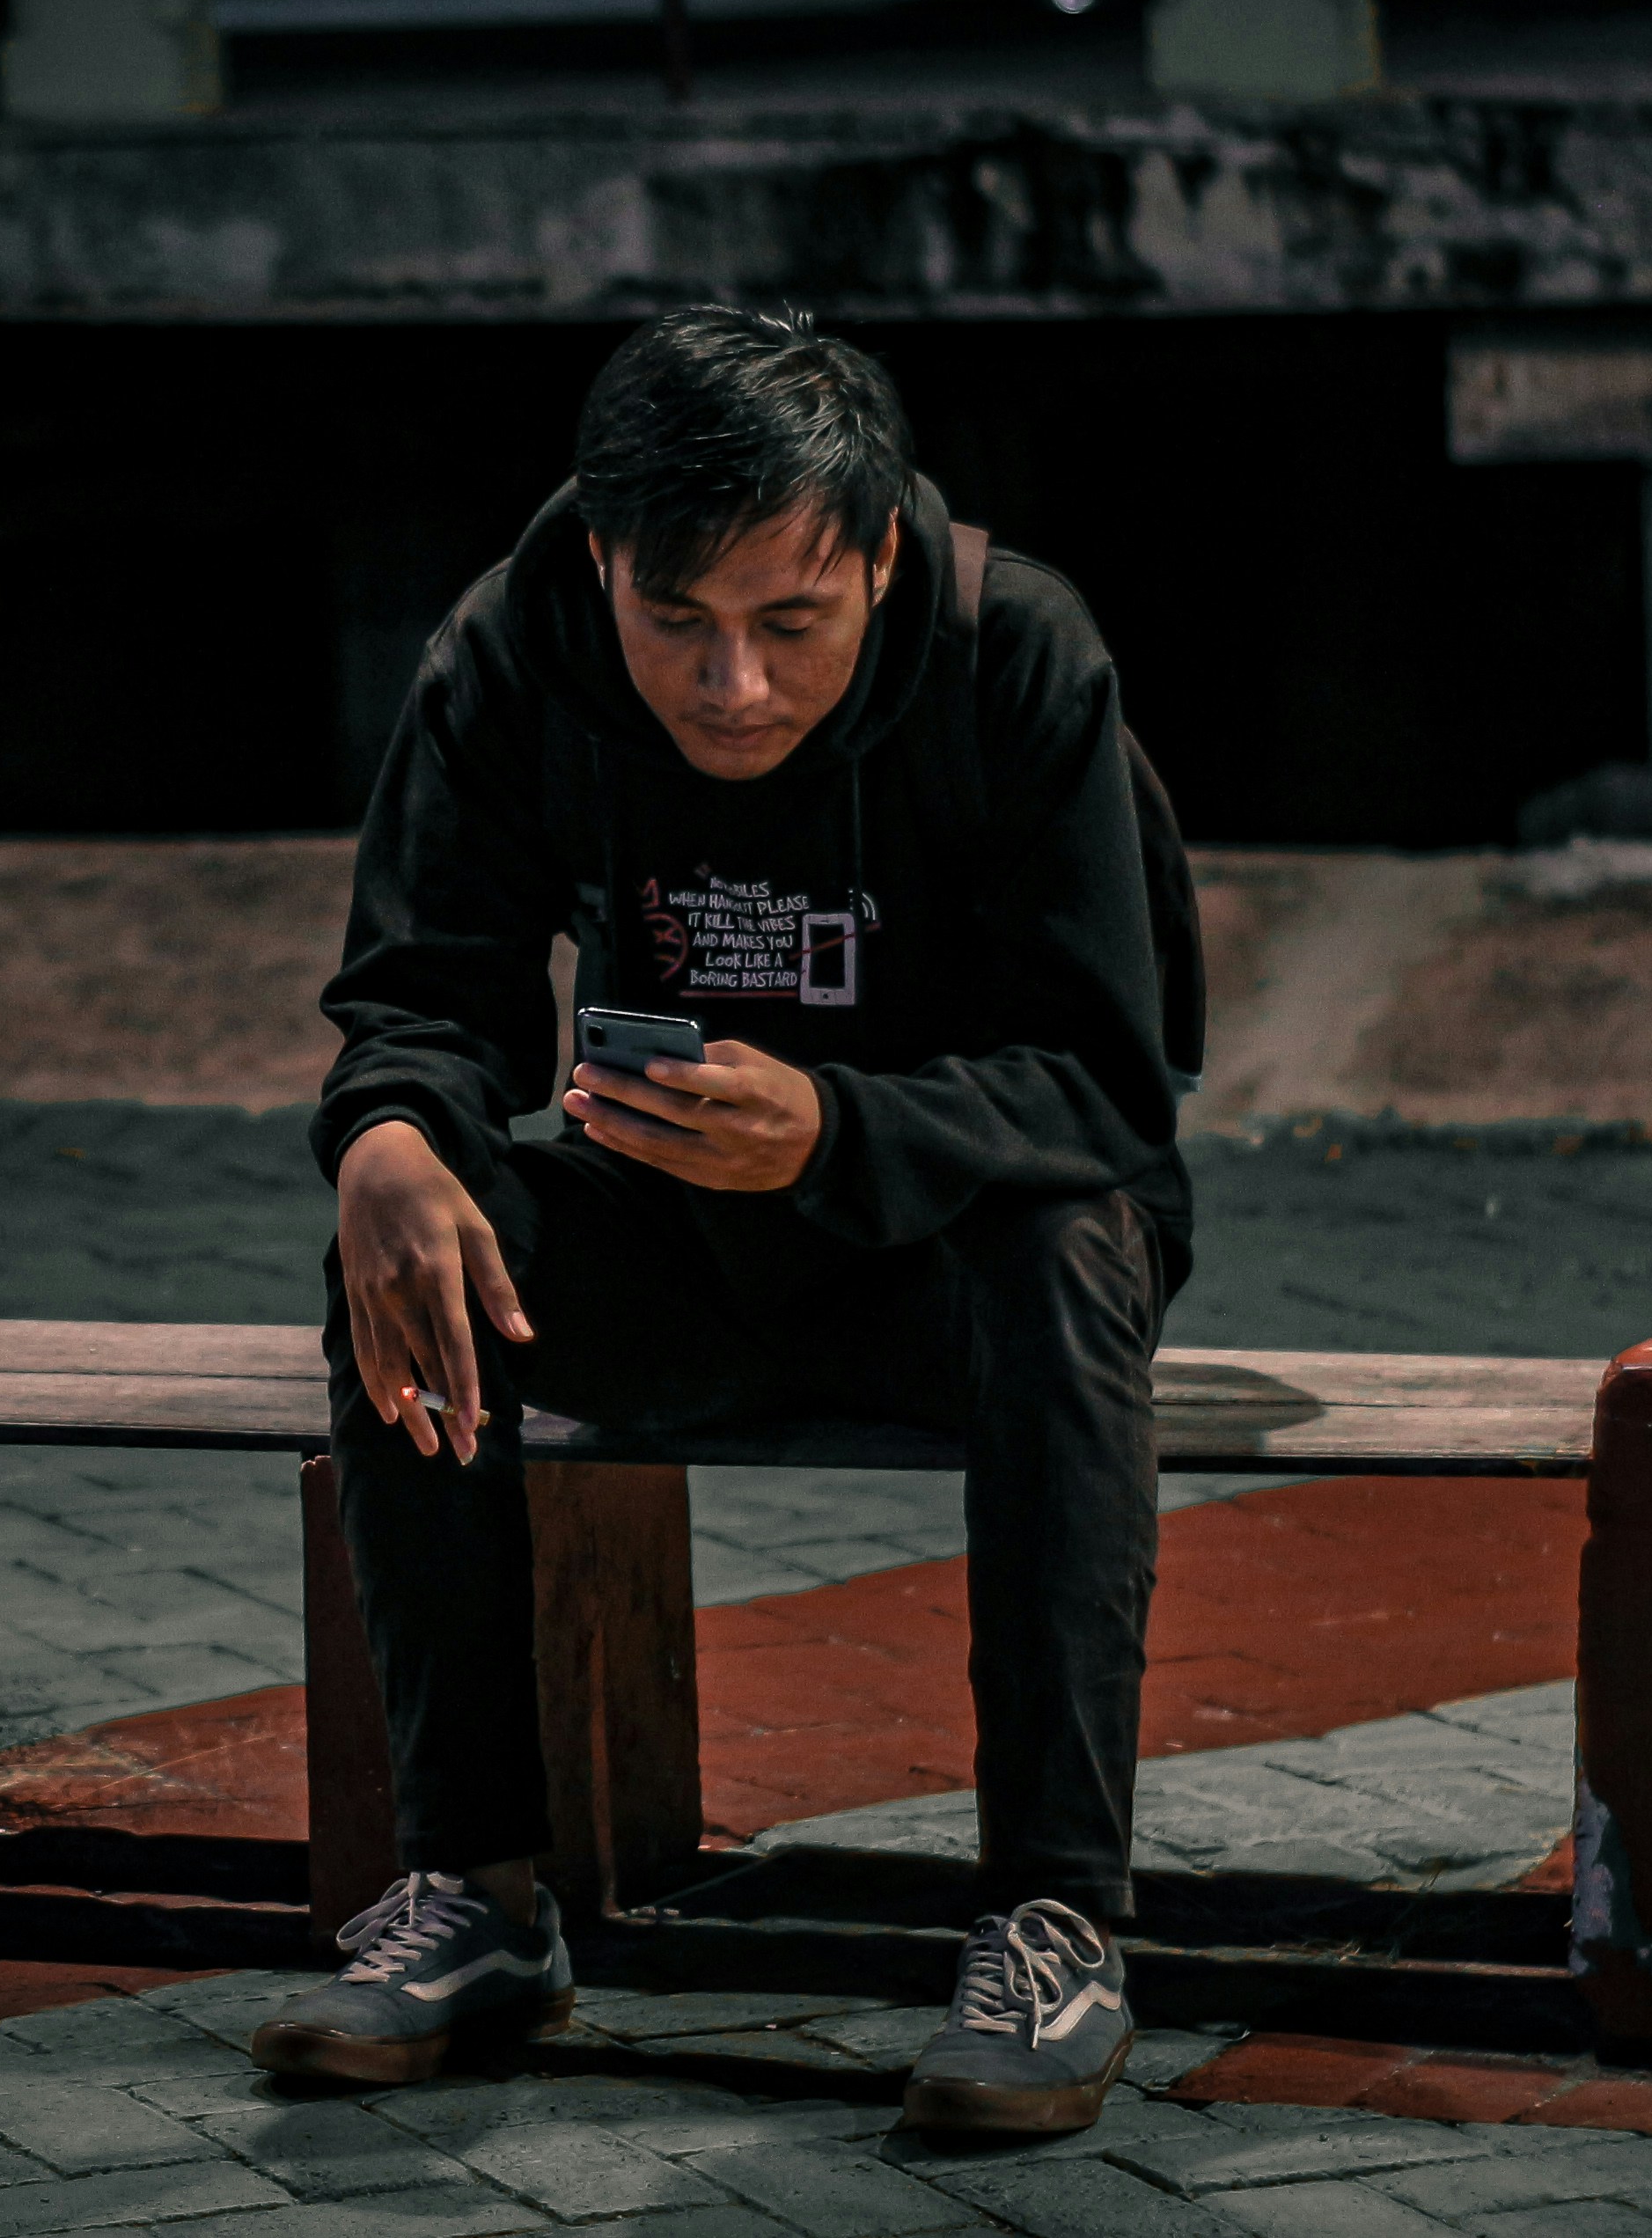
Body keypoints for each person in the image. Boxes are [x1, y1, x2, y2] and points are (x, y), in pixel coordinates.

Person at [248, 305, 1195, 2136]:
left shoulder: (1018, 652)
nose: (732, 686)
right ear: (602, 559)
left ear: (879, 561)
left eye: (790, 624)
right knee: (415, 1244)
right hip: (687, 1252)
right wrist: (384, 1137)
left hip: (966, 1270)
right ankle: (479, 1897)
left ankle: (1057, 1919)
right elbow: (426, 995)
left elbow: (1109, 1090)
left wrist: (837, 1126)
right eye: (675, 620)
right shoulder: (513, 643)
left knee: (1068, 1243)